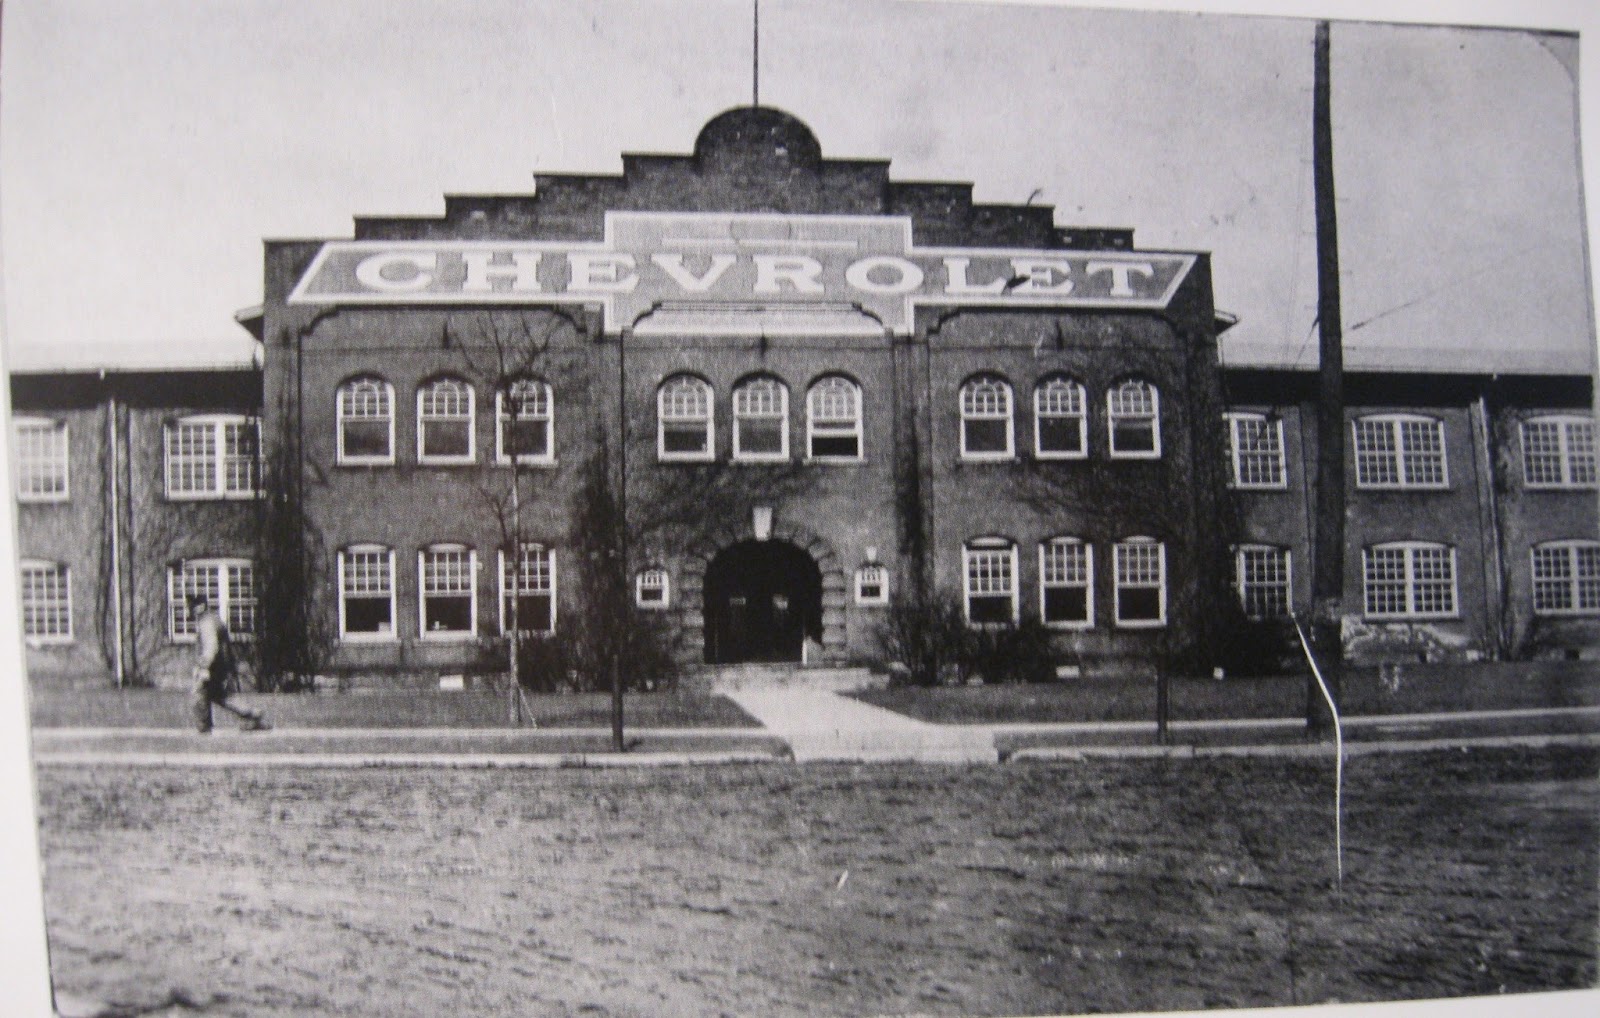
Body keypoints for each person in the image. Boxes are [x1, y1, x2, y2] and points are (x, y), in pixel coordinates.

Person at [190, 593, 268, 733]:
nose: (190, 611)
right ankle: (252, 714)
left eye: (192, 607)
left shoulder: (206, 622)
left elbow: (211, 647)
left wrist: (204, 667)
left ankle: (204, 727)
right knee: (221, 696)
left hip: (213, 667)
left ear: (200, 607)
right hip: (221, 666)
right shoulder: (214, 619)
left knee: (199, 694)